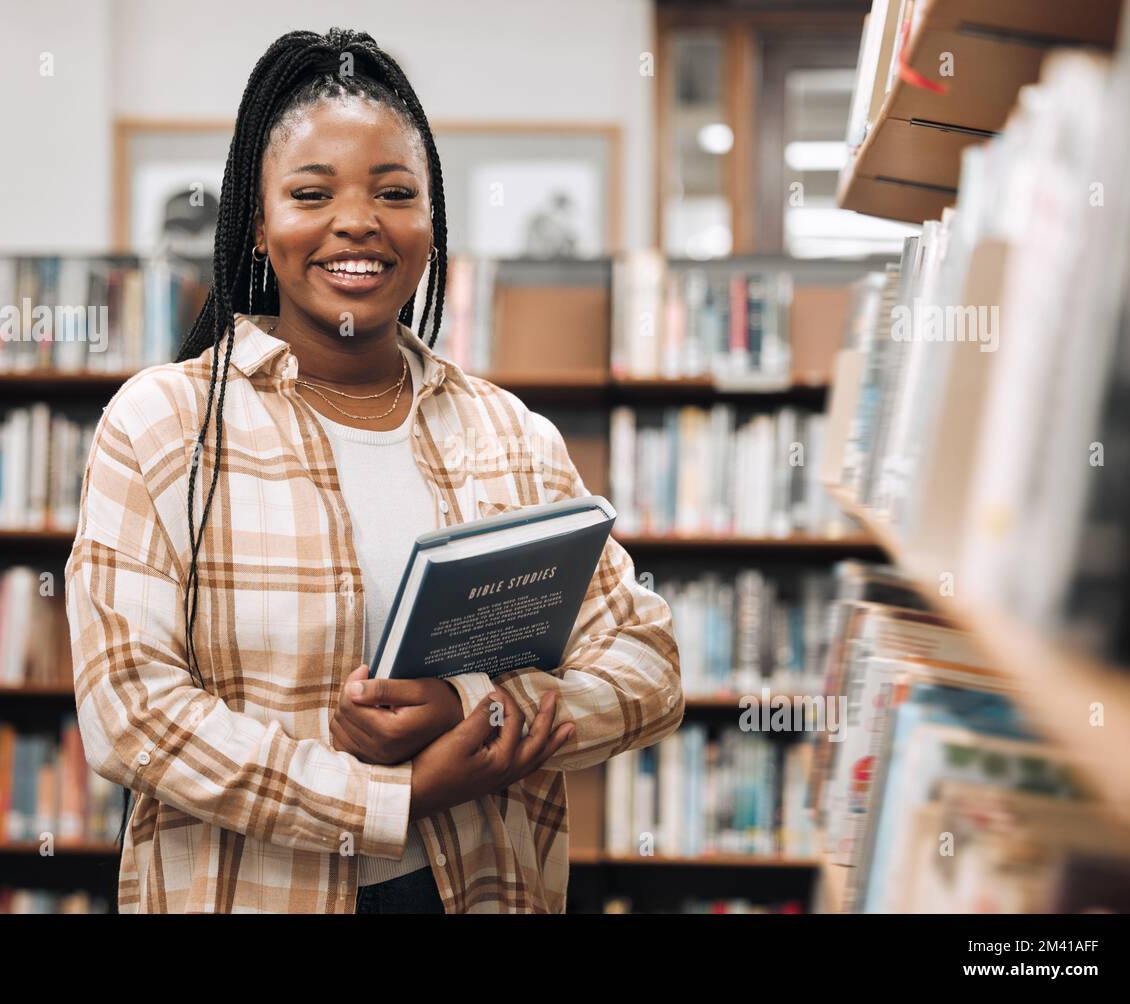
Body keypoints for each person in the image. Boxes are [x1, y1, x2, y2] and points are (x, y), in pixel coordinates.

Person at [65, 26, 683, 914]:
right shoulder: (162, 427)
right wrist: (392, 799)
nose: (357, 221)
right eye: (311, 193)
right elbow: (133, 716)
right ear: (257, 221)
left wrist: (477, 708)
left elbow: (647, 666)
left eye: (395, 193)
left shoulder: (510, 435)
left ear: (430, 223)